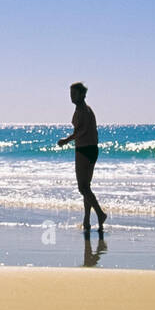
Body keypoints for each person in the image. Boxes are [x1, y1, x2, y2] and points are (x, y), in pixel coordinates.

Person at [57, 82, 107, 234]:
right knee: (87, 187)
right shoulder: (88, 109)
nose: (72, 97)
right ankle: (86, 220)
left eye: (74, 94)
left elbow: (80, 131)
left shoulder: (82, 110)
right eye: (70, 94)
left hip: (84, 149)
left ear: (82, 94)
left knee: (82, 187)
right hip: (92, 149)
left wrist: (65, 140)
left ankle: (100, 213)